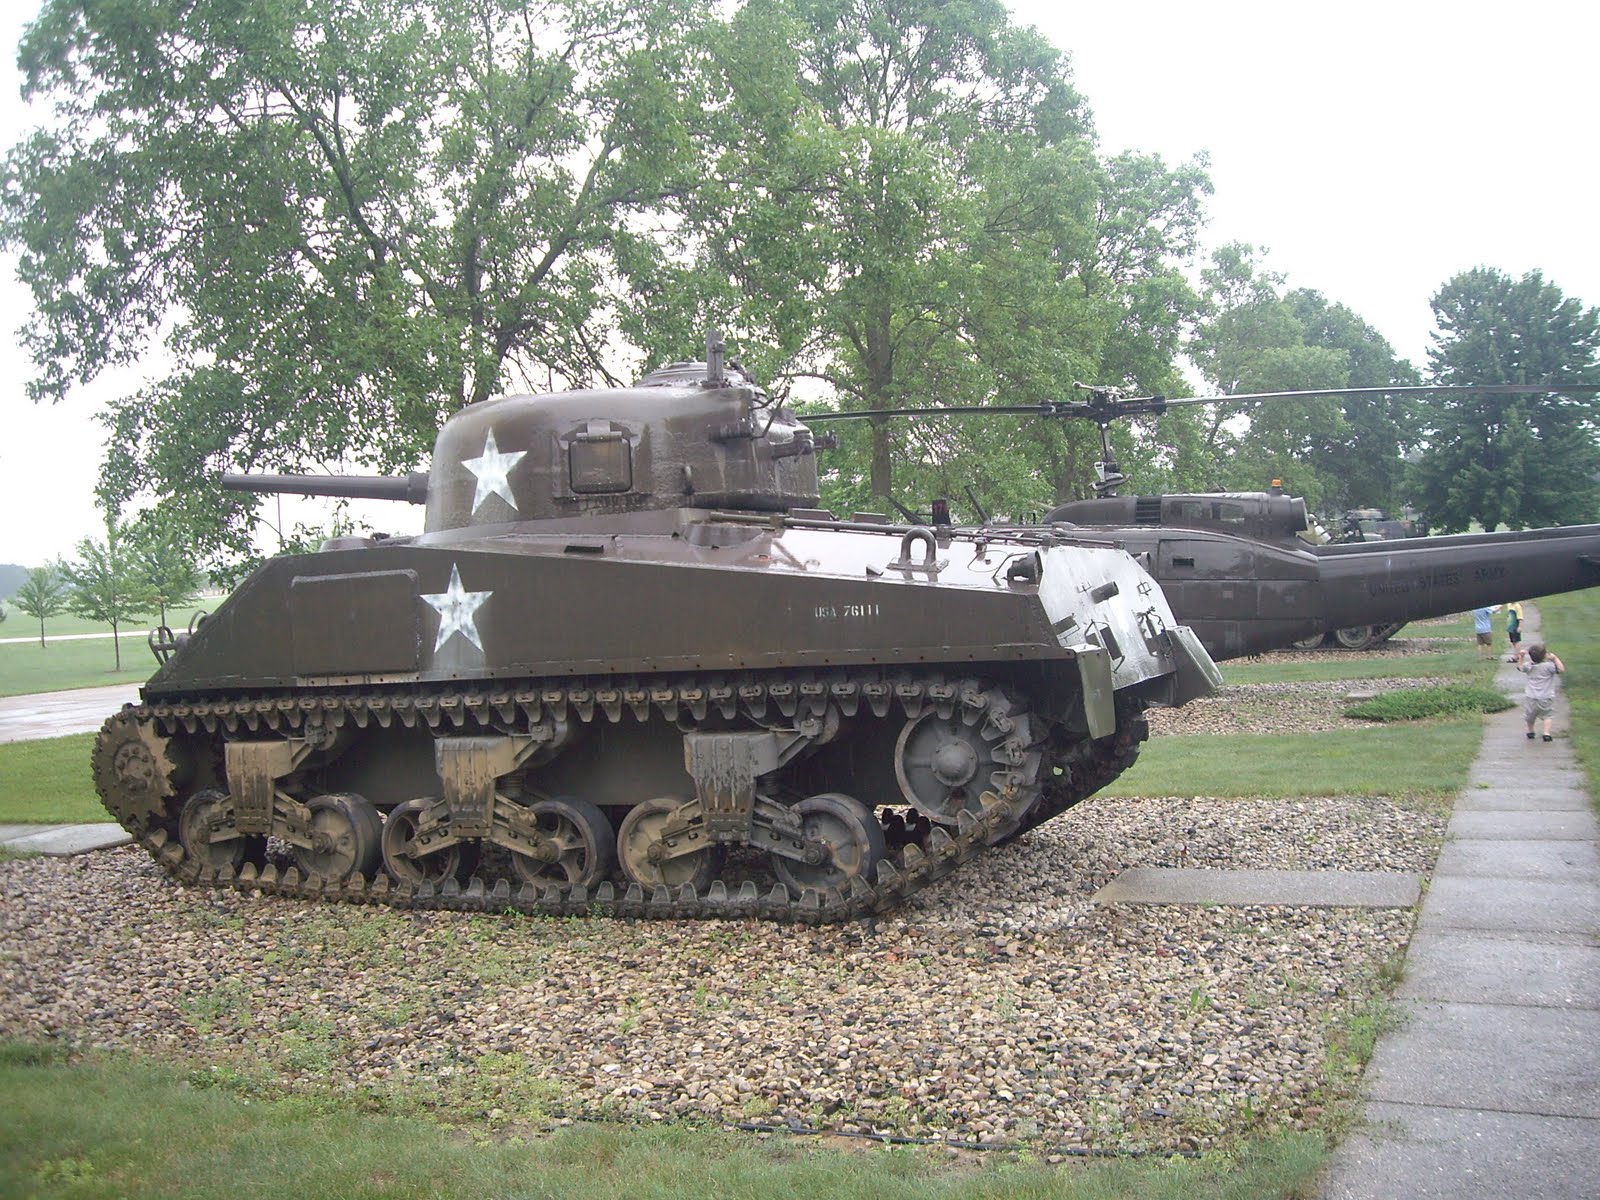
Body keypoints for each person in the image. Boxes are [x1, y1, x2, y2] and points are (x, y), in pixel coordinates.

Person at [1518, 643, 1565, 742]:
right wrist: (1555, 659)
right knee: (1547, 715)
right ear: (1544, 656)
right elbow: (1561, 669)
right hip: (1546, 696)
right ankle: (1546, 733)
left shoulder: (1529, 666)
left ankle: (1531, 731)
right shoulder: (1549, 666)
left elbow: (1520, 667)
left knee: (1530, 715)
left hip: (1531, 696)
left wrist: (1521, 657)